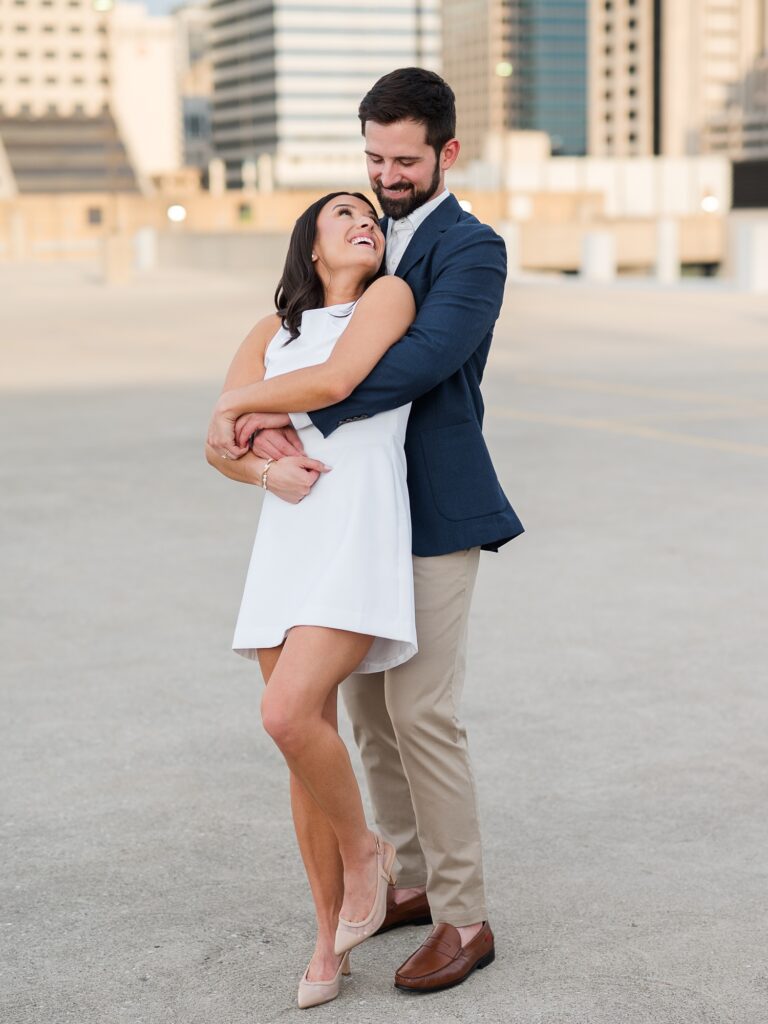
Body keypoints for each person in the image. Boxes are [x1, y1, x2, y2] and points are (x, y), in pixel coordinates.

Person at [209, 67, 525, 995]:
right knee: (373, 720)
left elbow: (419, 365)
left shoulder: (472, 248)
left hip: (433, 509)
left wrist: (277, 415)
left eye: (405, 160)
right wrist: (263, 422)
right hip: (350, 519)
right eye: (374, 158)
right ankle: (410, 878)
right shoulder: (367, 241)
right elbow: (312, 339)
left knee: (422, 712)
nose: (387, 177)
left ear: (447, 154)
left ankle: (465, 918)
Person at [206, 190, 419, 1008]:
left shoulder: (387, 299)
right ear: (311, 246)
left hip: (358, 527)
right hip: (288, 535)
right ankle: (328, 939)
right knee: (306, 744)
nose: (365, 222)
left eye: (372, 216)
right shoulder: (270, 332)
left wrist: (241, 407)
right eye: (344, 216)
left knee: (285, 714)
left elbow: (332, 382)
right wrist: (265, 466)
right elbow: (218, 447)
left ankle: (368, 853)